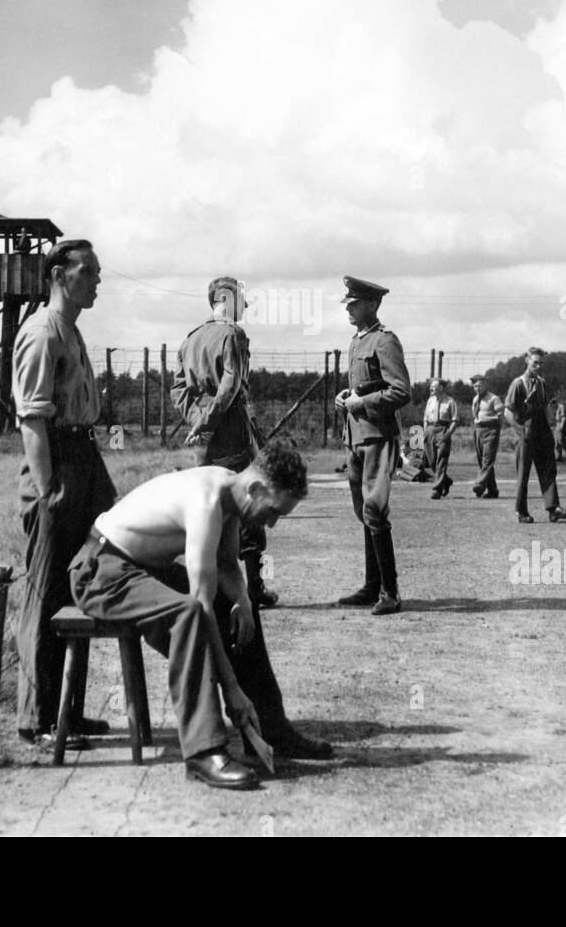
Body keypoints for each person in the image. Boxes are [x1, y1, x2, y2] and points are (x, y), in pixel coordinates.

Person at [68, 444, 320, 789]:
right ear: (256, 488)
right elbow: (200, 605)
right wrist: (231, 688)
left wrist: (244, 599)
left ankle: (270, 728)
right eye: (274, 511)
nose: (273, 524)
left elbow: (226, 564)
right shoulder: (205, 503)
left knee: (235, 607)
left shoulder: (230, 492)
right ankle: (204, 752)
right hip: (101, 572)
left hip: (138, 569)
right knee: (188, 615)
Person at [11, 239, 117, 749]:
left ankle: (68, 712)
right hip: (55, 464)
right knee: (46, 592)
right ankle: (39, 720)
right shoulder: (40, 332)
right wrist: (51, 488)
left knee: (79, 589)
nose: (97, 280)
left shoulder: (70, 330)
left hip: (83, 460)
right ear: (59, 274)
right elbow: (32, 419)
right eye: (89, 271)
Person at [172, 275, 278, 609]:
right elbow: (231, 385)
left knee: (209, 508)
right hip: (232, 434)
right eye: (240, 298)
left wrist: (198, 422)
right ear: (222, 298)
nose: (245, 305)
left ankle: (213, 592)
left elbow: (177, 390)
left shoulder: (190, 339)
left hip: (201, 442)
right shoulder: (233, 334)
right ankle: (254, 591)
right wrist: (210, 421)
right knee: (248, 509)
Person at [334, 276, 412, 615]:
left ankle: (390, 593)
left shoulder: (384, 341)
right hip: (356, 440)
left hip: (378, 438)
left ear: (372, 305)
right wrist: (346, 399)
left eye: (354, 303)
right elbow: (363, 388)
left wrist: (361, 404)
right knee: (362, 513)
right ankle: (371, 586)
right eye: (348, 303)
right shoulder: (356, 342)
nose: (349, 308)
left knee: (375, 512)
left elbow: (401, 391)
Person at [504, 348, 566, 524]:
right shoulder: (518, 384)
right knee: (523, 475)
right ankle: (521, 511)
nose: (538, 366)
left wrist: (553, 426)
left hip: (543, 432)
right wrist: (520, 431)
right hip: (526, 433)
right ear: (526, 360)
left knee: (549, 471)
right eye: (535, 362)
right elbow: (508, 413)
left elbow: (549, 406)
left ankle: (553, 508)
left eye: (541, 363)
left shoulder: (542, 383)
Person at [422, 377, 459, 498]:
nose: (430, 388)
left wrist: (448, 434)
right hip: (430, 431)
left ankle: (437, 490)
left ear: (441, 388)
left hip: (443, 430)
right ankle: (446, 481)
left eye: (433, 386)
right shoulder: (430, 401)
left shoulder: (450, 401)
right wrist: (425, 431)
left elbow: (455, 420)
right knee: (431, 461)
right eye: (431, 386)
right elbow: (425, 418)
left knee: (441, 461)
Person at [469, 374, 503, 498]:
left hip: (491, 429)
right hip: (478, 430)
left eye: (479, 385)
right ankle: (493, 490)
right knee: (482, 461)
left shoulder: (494, 398)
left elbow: (501, 417)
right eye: (474, 386)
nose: (477, 388)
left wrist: (496, 430)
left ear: (485, 385)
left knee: (487, 459)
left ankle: (479, 484)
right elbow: (474, 416)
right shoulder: (475, 399)